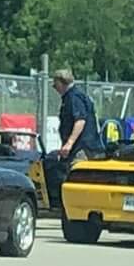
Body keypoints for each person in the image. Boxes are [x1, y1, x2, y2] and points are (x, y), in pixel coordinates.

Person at [42, 68, 98, 214]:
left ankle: (81, 214)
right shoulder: (71, 97)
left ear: (62, 82)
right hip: (79, 147)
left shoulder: (74, 98)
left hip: (82, 149)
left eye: (55, 84)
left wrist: (69, 143)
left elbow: (80, 121)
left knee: (78, 181)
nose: (54, 88)